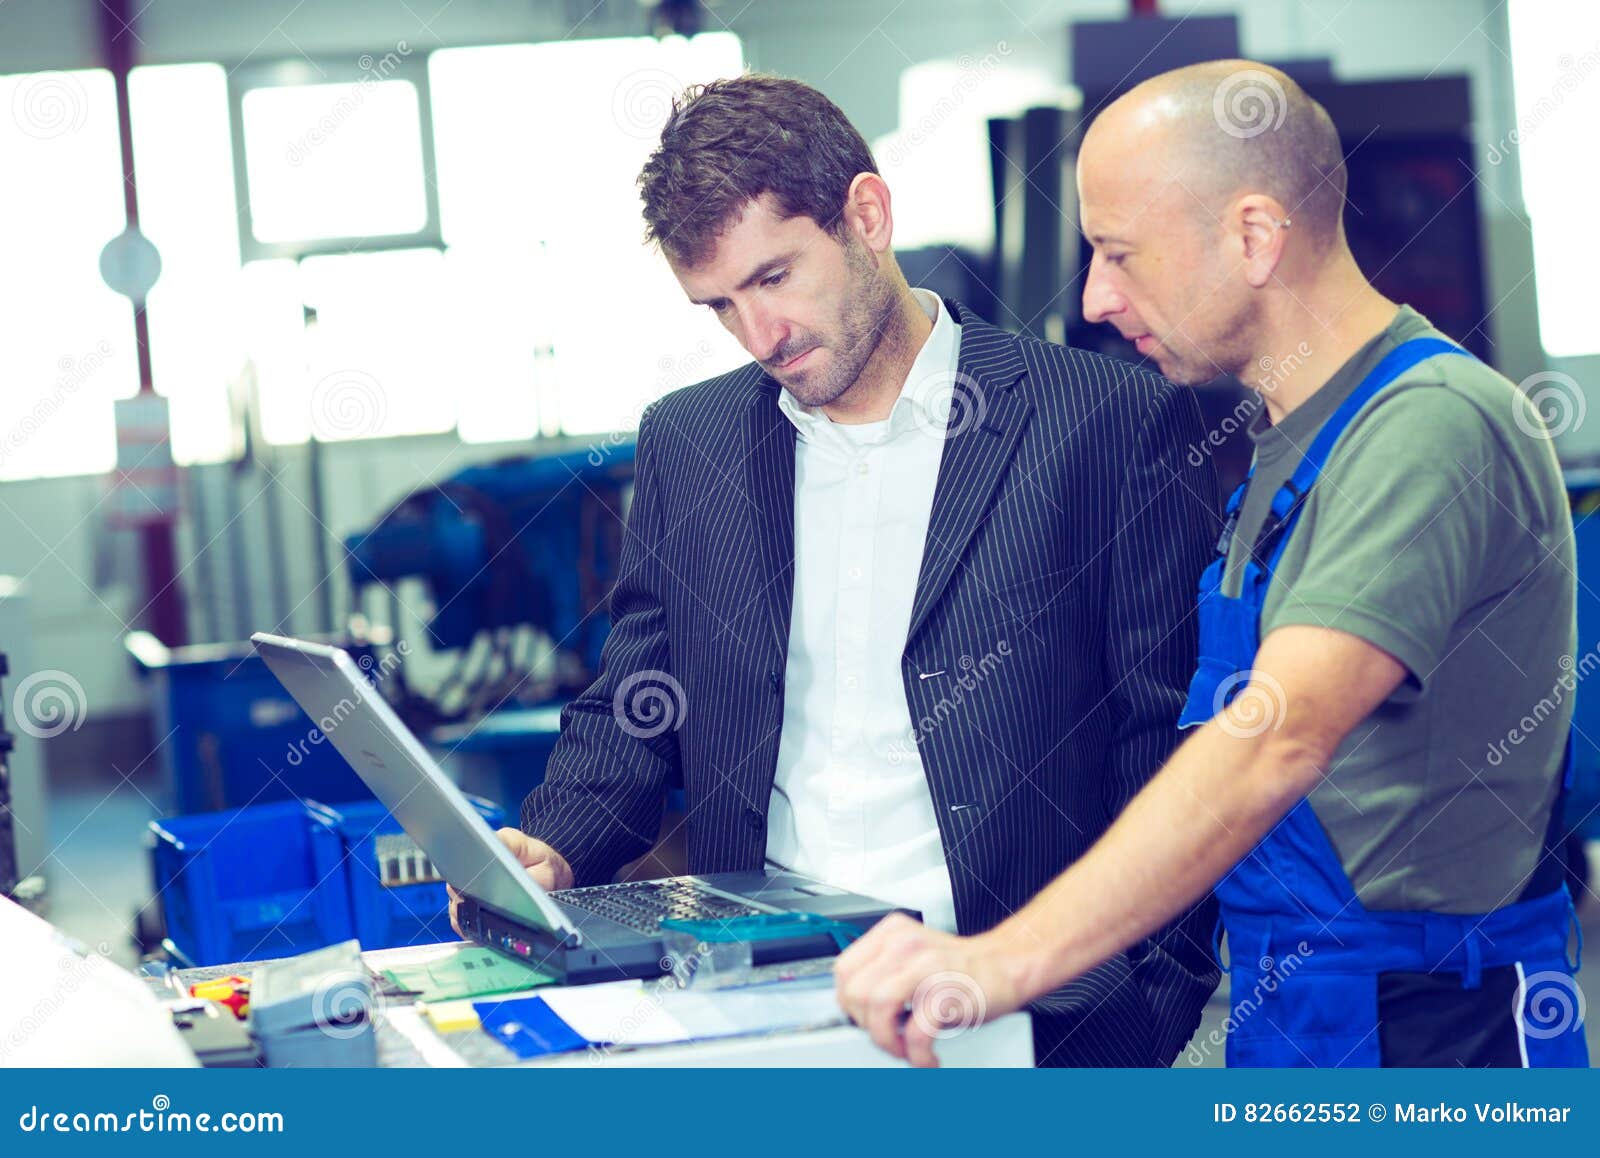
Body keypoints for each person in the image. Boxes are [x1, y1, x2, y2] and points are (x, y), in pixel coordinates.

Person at [450, 73, 1221, 1066]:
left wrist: (1143, 1005)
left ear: (866, 214)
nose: (759, 337)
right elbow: (642, 701)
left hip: (1015, 1003)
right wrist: (551, 846)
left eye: (775, 278)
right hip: (766, 1008)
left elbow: (1162, 741)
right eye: (720, 305)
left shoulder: (1099, 421)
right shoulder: (691, 444)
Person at [834, 60, 1589, 1069]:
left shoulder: (1429, 425)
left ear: (1254, 236)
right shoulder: (1278, 450)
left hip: (1430, 1039)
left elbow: (1273, 741)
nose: (1095, 297)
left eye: (1118, 253)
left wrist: (999, 963)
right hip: (1301, 1017)